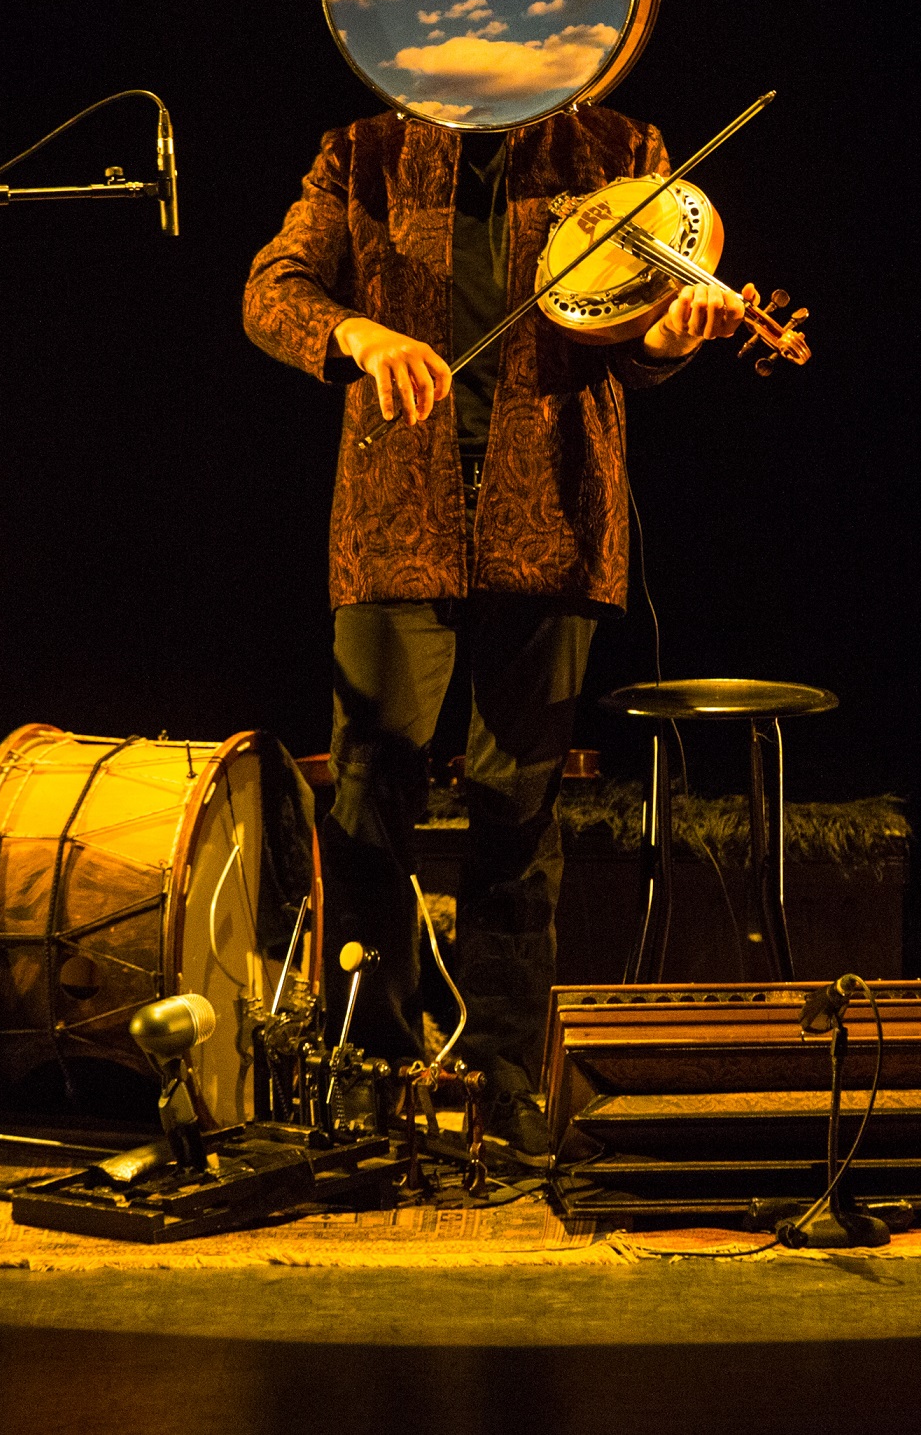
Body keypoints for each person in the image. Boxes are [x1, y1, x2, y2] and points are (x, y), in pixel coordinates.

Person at [242, 104, 747, 1160]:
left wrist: (669, 337)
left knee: (516, 806)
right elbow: (272, 289)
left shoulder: (621, 152)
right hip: (396, 513)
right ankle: (372, 1070)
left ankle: (501, 1075)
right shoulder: (365, 150)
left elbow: (636, 344)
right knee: (370, 786)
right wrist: (359, 333)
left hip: (552, 512)